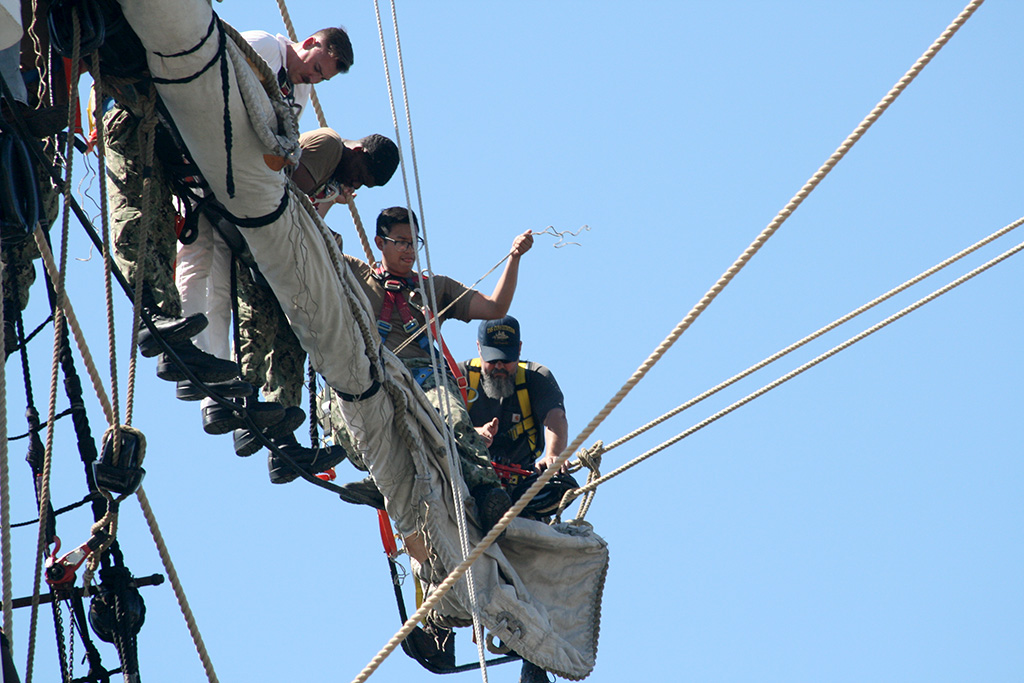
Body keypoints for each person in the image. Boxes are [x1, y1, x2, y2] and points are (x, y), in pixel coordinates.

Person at [328, 206, 533, 533]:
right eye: (401, 242)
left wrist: (514, 258)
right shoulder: (356, 274)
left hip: (424, 373)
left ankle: (486, 490)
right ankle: (380, 480)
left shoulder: (434, 287)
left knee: (453, 418)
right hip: (376, 371)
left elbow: (495, 307)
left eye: (414, 242)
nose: (410, 250)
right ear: (380, 243)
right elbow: (314, 238)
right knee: (347, 416)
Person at [230, 129, 399, 483]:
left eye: (364, 185)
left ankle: (283, 439)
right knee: (258, 326)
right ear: (357, 150)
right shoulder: (330, 145)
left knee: (293, 342)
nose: (356, 183)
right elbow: (290, 198)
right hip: (260, 242)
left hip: (282, 258)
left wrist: (331, 206)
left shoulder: (335, 177)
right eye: (360, 174)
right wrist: (327, 230)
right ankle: (242, 412)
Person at [459, 316, 568, 474]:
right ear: (479, 348)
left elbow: (556, 417)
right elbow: (440, 421)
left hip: (521, 480)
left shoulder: (536, 377)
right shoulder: (461, 377)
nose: (499, 366)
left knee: (561, 485)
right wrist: (474, 433)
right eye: (492, 359)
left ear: (519, 349)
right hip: (466, 475)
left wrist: (553, 455)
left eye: (505, 359)